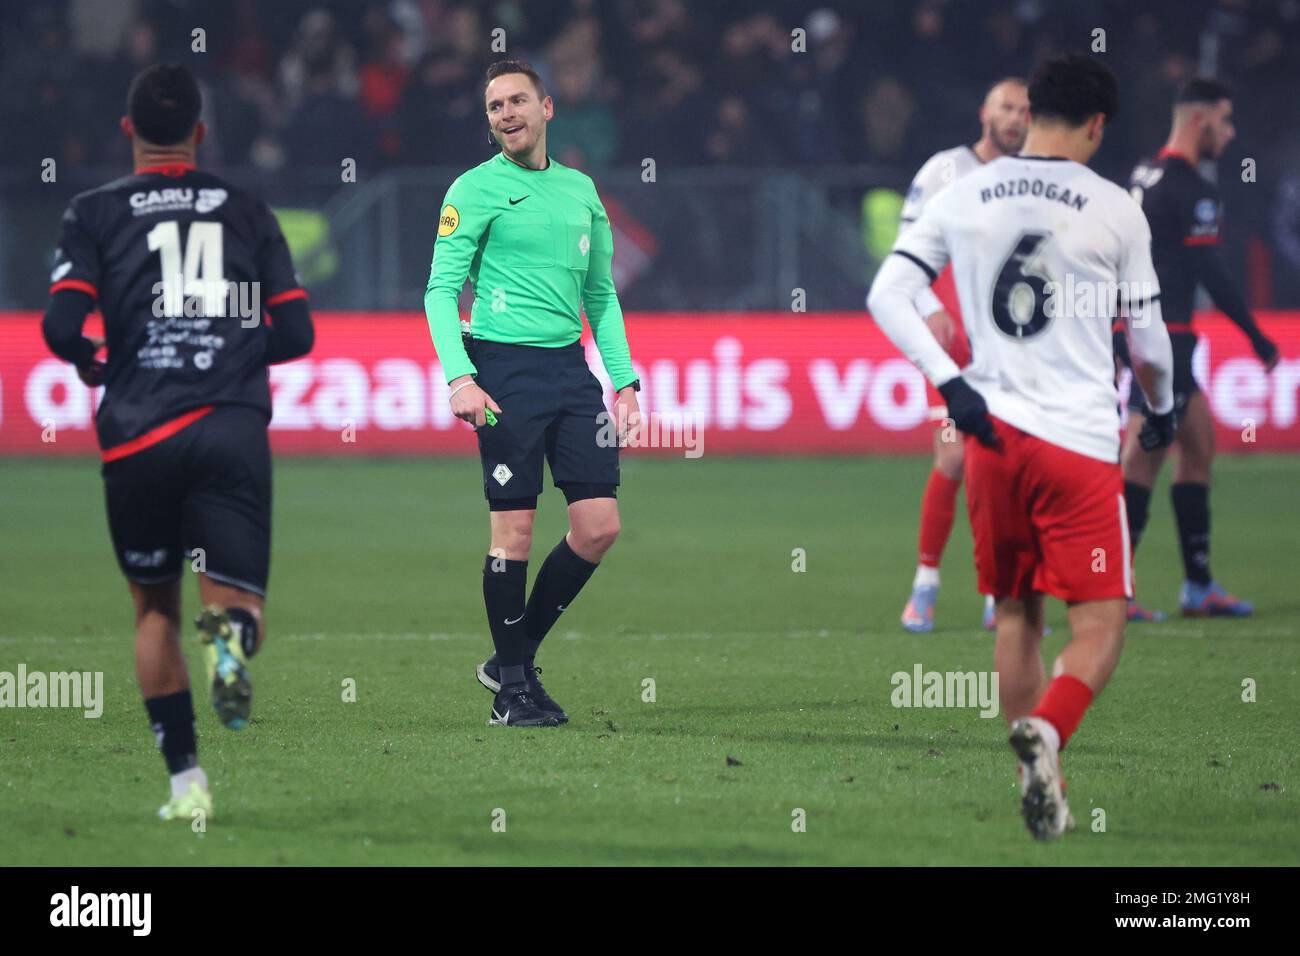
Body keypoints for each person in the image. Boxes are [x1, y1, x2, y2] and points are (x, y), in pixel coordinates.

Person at [868, 55, 1176, 840]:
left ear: (1029, 109)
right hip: (1075, 440)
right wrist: (1163, 408)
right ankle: (1049, 731)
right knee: (1102, 623)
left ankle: (1037, 780)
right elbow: (1148, 344)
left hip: (991, 439)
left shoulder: (963, 192)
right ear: (1099, 125)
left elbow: (887, 294)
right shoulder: (1116, 207)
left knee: (1015, 612)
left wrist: (952, 385)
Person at [41, 65, 314, 820]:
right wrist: (228, 349)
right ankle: (230, 636)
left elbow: (62, 327)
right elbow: (295, 332)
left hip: (137, 433)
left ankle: (186, 784)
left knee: (153, 609)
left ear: (129, 132)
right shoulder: (246, 208)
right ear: (200, 133)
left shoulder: (93, 212)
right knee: (231, 602)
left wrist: (95, 360)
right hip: (227, 424)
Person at [423, 60, 640, 728]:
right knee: (513, 530)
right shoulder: (474, 189)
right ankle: (514, 690)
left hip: (570, 373)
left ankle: (509, 660)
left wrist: (624, 382)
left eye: (518, 100)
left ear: (547, 108)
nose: (507, 113)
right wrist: (461, 376)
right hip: (502, 371)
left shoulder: (581, 191)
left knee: (599, 526)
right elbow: (438, 291)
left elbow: (600, 295)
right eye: (494, 107)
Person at [1119, 78, 1279, 621]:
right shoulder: (1193, 189)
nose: (1230, 133)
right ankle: (1114, 588)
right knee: (1143, 456)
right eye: (1224, 120)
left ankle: (1197, 585)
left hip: (1144, 330)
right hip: (1169, 336)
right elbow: (1211, 269)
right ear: (1200, 119)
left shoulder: (1143, 174)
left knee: (1198, 447)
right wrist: (1256, 337)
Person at [896, 77, 1028, 634]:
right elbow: (906, 248)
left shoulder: (1033, 179)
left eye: (1025, 109)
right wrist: (927, 307)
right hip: (949, 343)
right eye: (1006, 106)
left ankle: (999, 592)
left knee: (1001, 466)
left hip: (1012, 346)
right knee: (952, 459)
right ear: (984, 111)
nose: (1016, 117)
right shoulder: (944, 171)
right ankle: (925, 585)